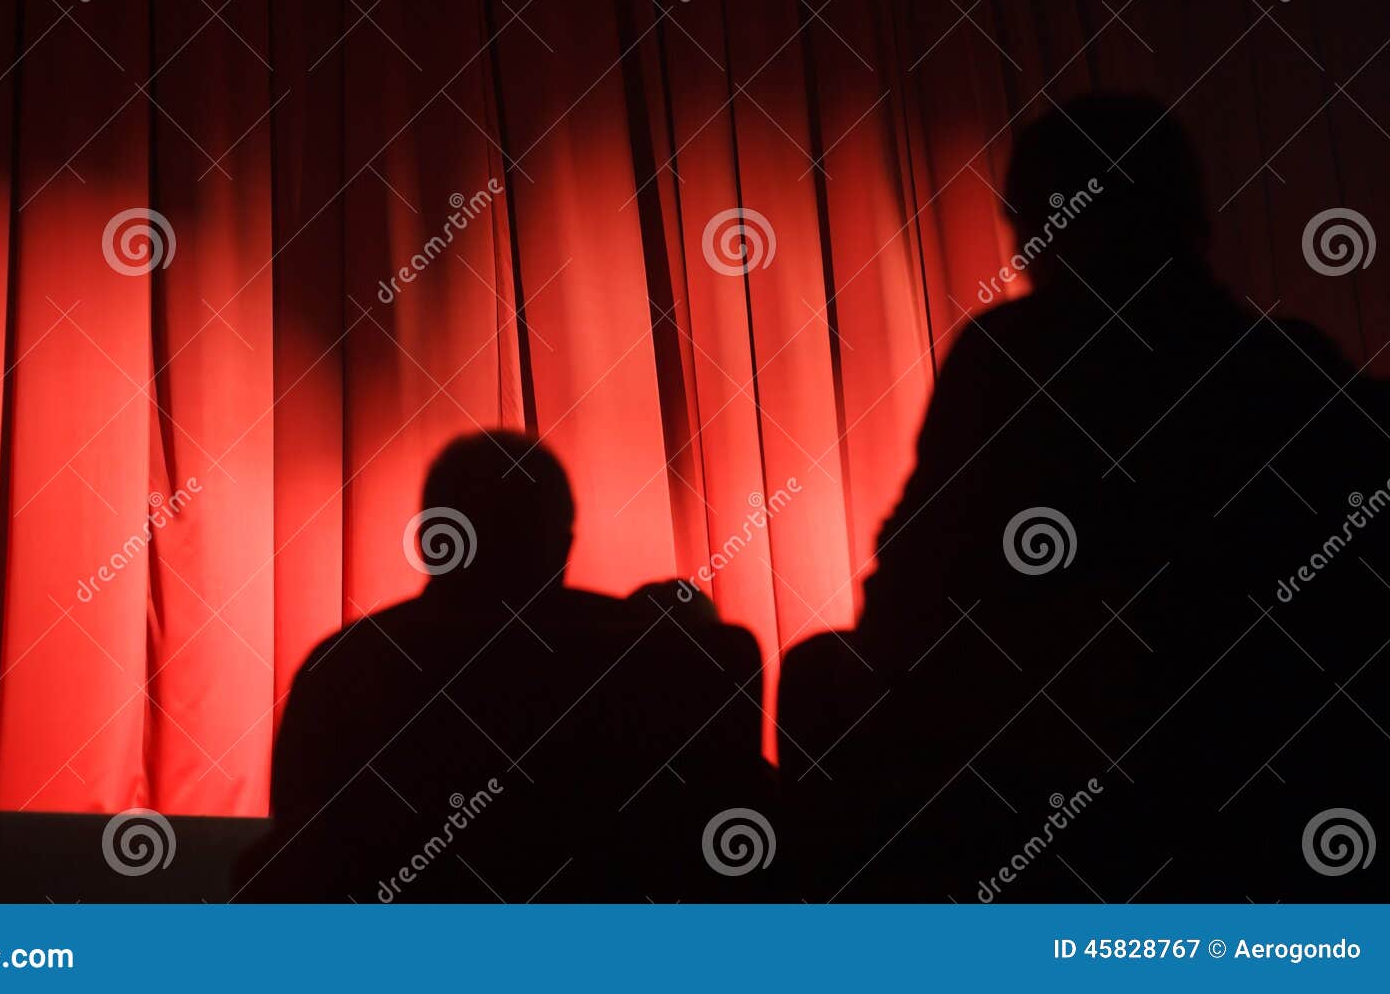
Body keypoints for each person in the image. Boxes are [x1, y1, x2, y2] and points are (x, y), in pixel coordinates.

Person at [780, 93, 1390, 900]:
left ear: (1050, 224)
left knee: (823, 682)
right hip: (1268, 765)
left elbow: (916, 570)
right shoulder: (1292, 365)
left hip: (1057, 768)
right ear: (1191, 218)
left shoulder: (1009, 359)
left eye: (1027, 222)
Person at [237, 431, 769, 901]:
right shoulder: (664, 665)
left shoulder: (344, 667)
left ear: (430, 540)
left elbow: (299, 854)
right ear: (563, 545)